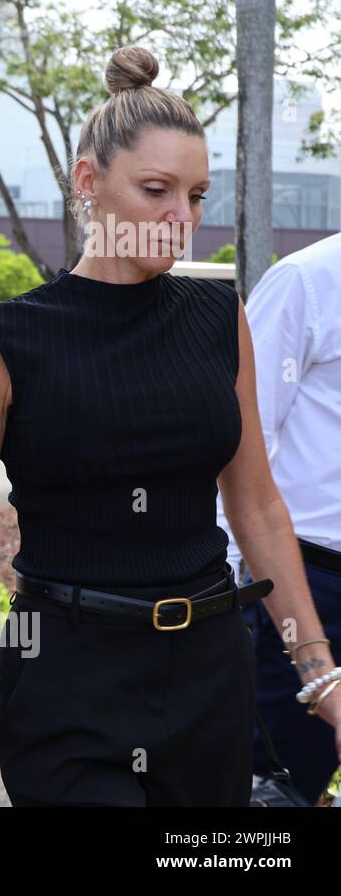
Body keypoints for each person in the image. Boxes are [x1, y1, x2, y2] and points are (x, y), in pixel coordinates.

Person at [0, 45, 340, 806]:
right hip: (66, 678)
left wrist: (320, 672)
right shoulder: (5, 340)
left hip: (210, 672)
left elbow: (258, 506)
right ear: (88, 182)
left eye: (197, 195)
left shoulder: (219, 317)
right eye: (157, 191)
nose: (183, 219)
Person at [216, 234, 341, 803]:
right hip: (307, 586)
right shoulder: (306, 281)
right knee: (275, 795)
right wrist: (232, 592)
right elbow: (241, 449)